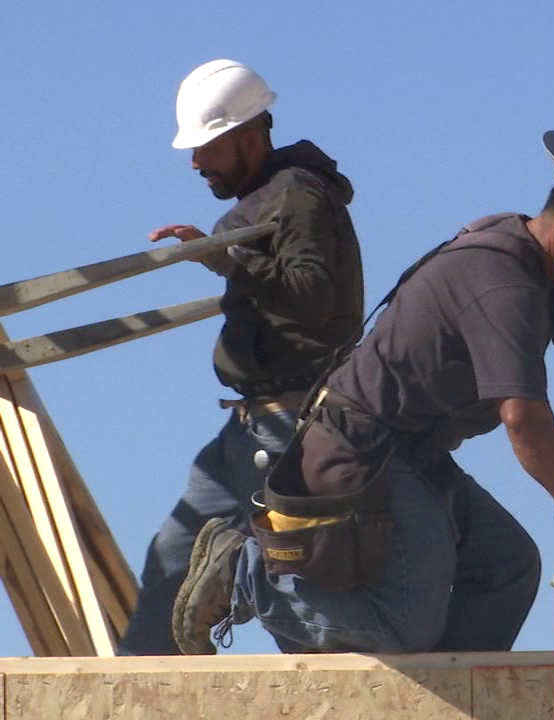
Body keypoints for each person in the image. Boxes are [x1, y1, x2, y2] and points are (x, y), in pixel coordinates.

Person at [170, 128, 554, 655]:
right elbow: (526, 421)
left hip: (414, 455)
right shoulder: (504, 280)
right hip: (363, 453)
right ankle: (241, 573)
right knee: (400, 624)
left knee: (507, 568)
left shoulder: (551, 275)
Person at [119, 59, 364, 655]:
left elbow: (311, 295)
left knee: (296, 598)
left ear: (247, 138)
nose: (196, 163)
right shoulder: (267, 197)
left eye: (207, 149)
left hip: (288, 423)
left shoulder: (299, 195)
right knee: (173, 564)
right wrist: (225, 252)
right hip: (252, 424)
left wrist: (226, 258)